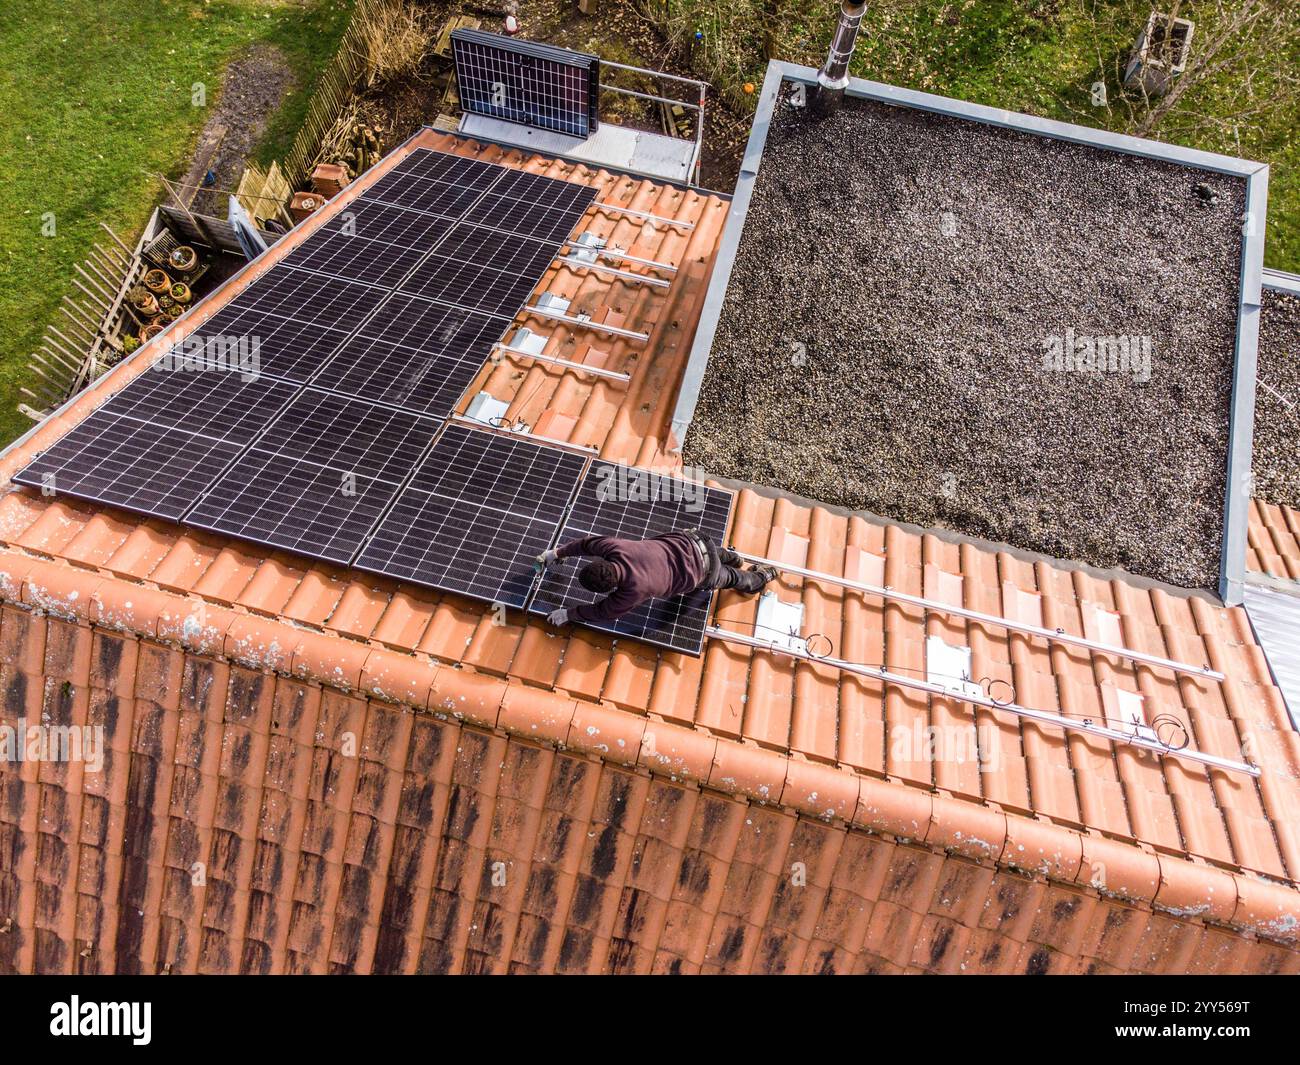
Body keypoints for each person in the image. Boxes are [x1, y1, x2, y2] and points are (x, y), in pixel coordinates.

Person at [535, 528, 777, 626]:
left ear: (609, 589)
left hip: (704, 572)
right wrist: (556, 552)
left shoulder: (632, 590)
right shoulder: (616, 549)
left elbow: (603, 612)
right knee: (716, 554)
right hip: (698, 540)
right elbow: (588, 544)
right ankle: (733, 557)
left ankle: (764, 576)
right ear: (602, 562)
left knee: (734, 579)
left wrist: (568, 614)